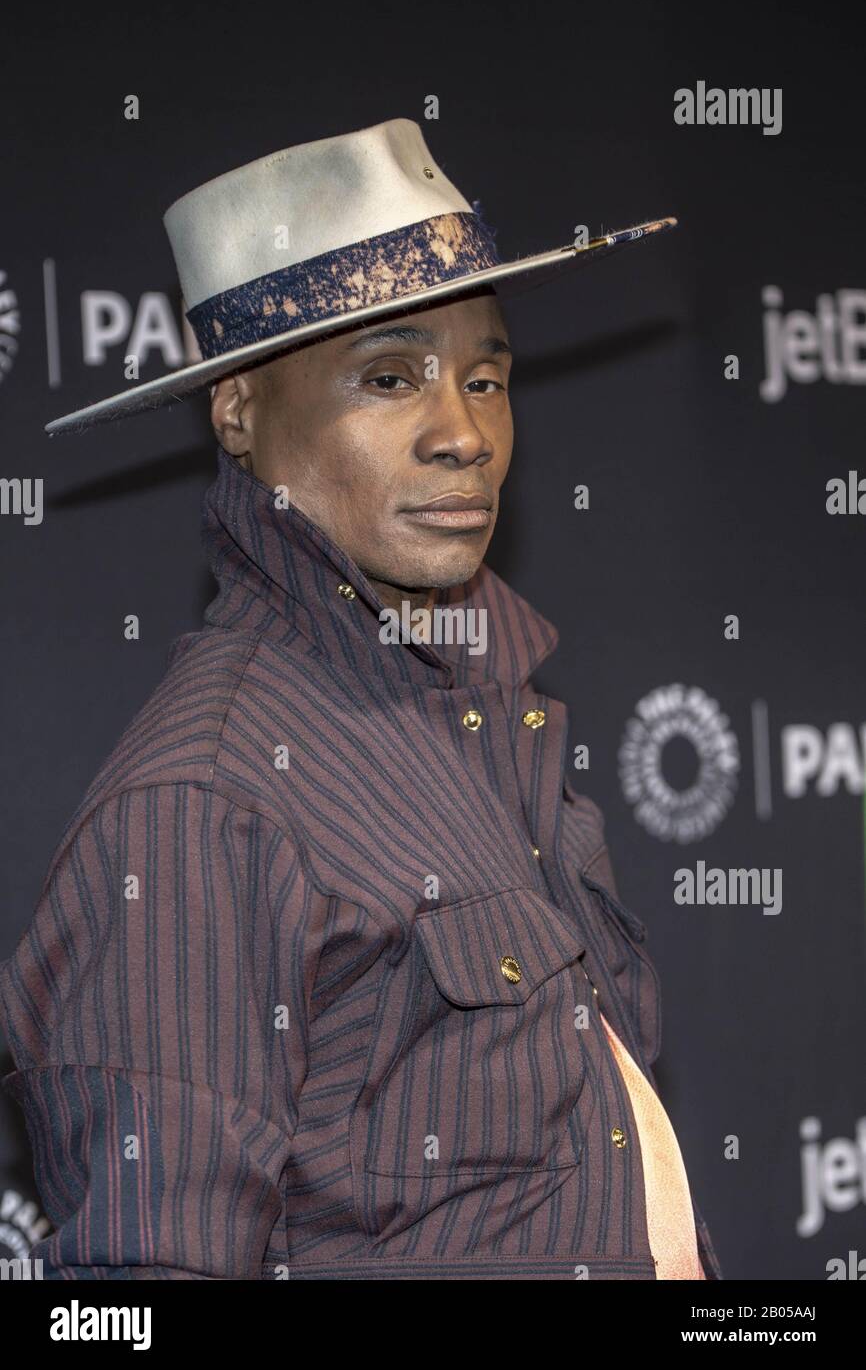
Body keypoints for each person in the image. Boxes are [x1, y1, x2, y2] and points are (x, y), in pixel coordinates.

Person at [0, 118, 721, 1279]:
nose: (465, 434)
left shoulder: (487, 724)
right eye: (389, 377)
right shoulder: (199, 807)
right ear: (237, 411)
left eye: (485, 377)